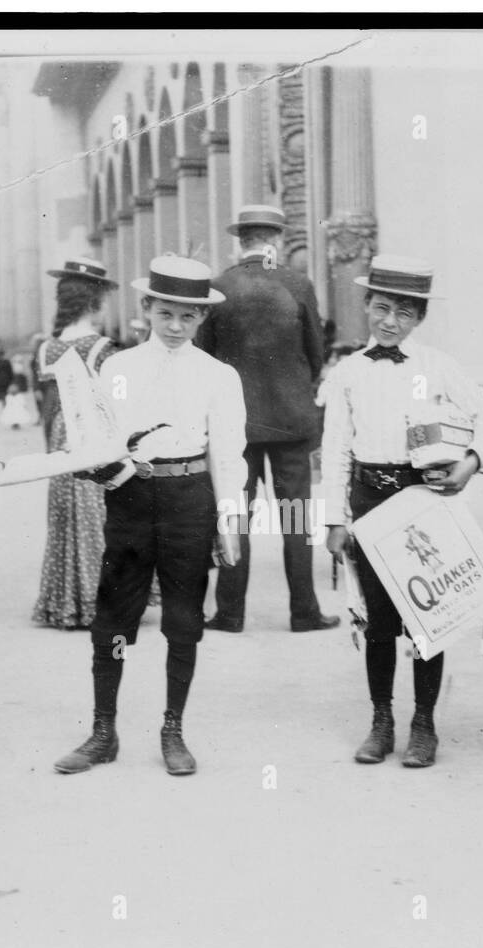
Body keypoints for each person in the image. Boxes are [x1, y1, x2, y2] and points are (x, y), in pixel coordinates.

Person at [56, 256, 246, 777]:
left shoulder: (218, 376)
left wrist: (229, 520)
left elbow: (229, 452)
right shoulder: (117, 370)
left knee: (184, 620)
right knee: (113, 619)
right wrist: (97, 466)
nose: (177, 326)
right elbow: (99, 436)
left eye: (189, 317)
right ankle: (102, 731)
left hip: (190, 500)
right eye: (167, 314)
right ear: (146, 309)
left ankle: (173, 729)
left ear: (202, 318)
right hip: (132, 499)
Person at [321, 255, 483, 768]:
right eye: (381, 308)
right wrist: (336, 518)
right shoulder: (348, 372)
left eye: (403, 312)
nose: (390, 322)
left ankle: (425, 722)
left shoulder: (439, 367)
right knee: (377, 618)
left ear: (419, 317)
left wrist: (469, 463)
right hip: (368, 500)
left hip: (422, 499)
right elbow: (335, 448)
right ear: (366, 307)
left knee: (428, 615)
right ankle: (382, 719)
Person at [195, 204, 337, 633]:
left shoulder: (218, 287)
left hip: (236, 427)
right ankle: (304, 612)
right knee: (294, 517)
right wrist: (296, 386)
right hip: (292, 423)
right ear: (275, 239)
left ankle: (230, 613)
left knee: (237, 513)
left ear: (241, 241)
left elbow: (204, 358)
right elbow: (316, 351)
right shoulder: (298, 285)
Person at [32, 257, 120, 630]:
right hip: (95, 437)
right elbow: (114, 402)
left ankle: (64, 597)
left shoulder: (46, 349)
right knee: (99, 517)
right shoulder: (102, 348)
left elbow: (48, 408)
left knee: (66, 517)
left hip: (60, 440)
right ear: (95, 302)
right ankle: (97, 599)